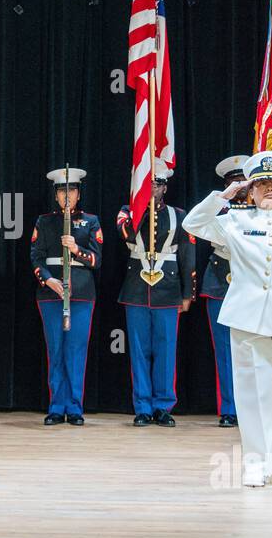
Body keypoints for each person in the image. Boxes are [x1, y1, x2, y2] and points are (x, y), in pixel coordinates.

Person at [185, 151, 272, 487]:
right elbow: (193, 223)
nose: (269, 189)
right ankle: (256, 461)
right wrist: (224, 196)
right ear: (252, 189)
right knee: (252, 391)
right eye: (262, 184)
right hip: (248, 318)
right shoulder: (236, 221)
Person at [116, 158, 195, 427]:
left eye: (158, 185)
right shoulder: (128, 212)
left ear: (165, 187)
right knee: (139, 350)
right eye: (148, 184)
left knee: (165, 350)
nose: (153, 189)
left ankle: (163, 406)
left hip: (168, 290)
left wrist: (188, 294)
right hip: (136, 290)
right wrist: (141, 207)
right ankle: (142, 406)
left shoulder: (179, 215)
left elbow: (186, 256)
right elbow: (127, 235)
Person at [30, 168, 102, 426]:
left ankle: (74, 407)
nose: (67, 195)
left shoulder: (90, 221)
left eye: (71, 190)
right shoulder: (44, 221)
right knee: (56, 350)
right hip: (51, 293)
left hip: (81, 292)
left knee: (76, 350)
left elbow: (96, 259)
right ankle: (56, 406)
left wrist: (76, 249)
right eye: (62, 191)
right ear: (56, 195)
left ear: (78, 194)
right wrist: (48, 280)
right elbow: (36, 256)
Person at [198, 155, 247, 428]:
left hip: (250, 281)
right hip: (220, 277)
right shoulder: (216, 211)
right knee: (225, 350)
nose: (239, 187)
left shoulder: (261, 211)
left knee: (253, 349)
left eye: (243, 182)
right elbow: (195, 224)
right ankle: (229, 407)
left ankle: (252, 407)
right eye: (233, 182)